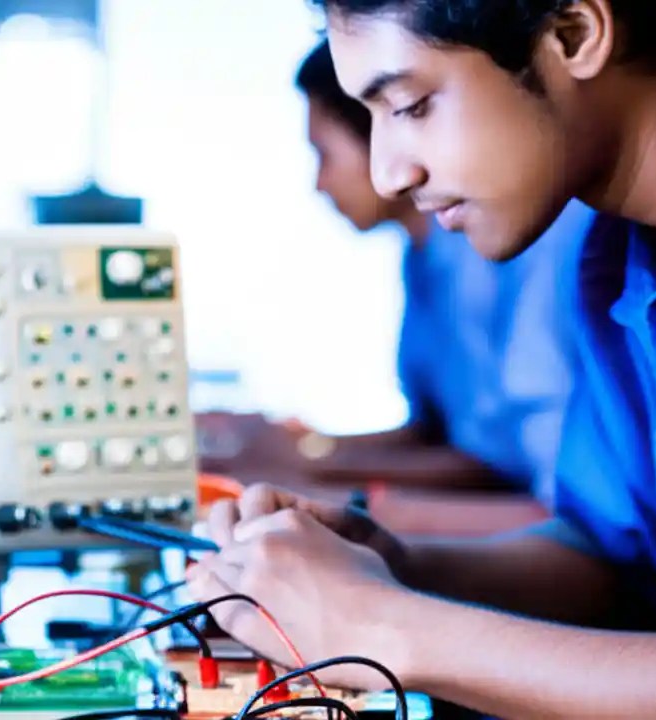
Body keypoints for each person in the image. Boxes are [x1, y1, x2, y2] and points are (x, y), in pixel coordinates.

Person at [190, 1, 656, 717]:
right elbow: (620, 563)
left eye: (409, 105)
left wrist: (380, 627)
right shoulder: (616, 261)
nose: (387, 174)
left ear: (574, 34)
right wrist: (392, 564)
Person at [202, 43, 593, 535]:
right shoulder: (424, 257)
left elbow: (509, 466)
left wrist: (340, 488)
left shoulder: (519, 246)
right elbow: (441, 437)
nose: (320, 184)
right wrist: (303, 455)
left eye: (325, 154)